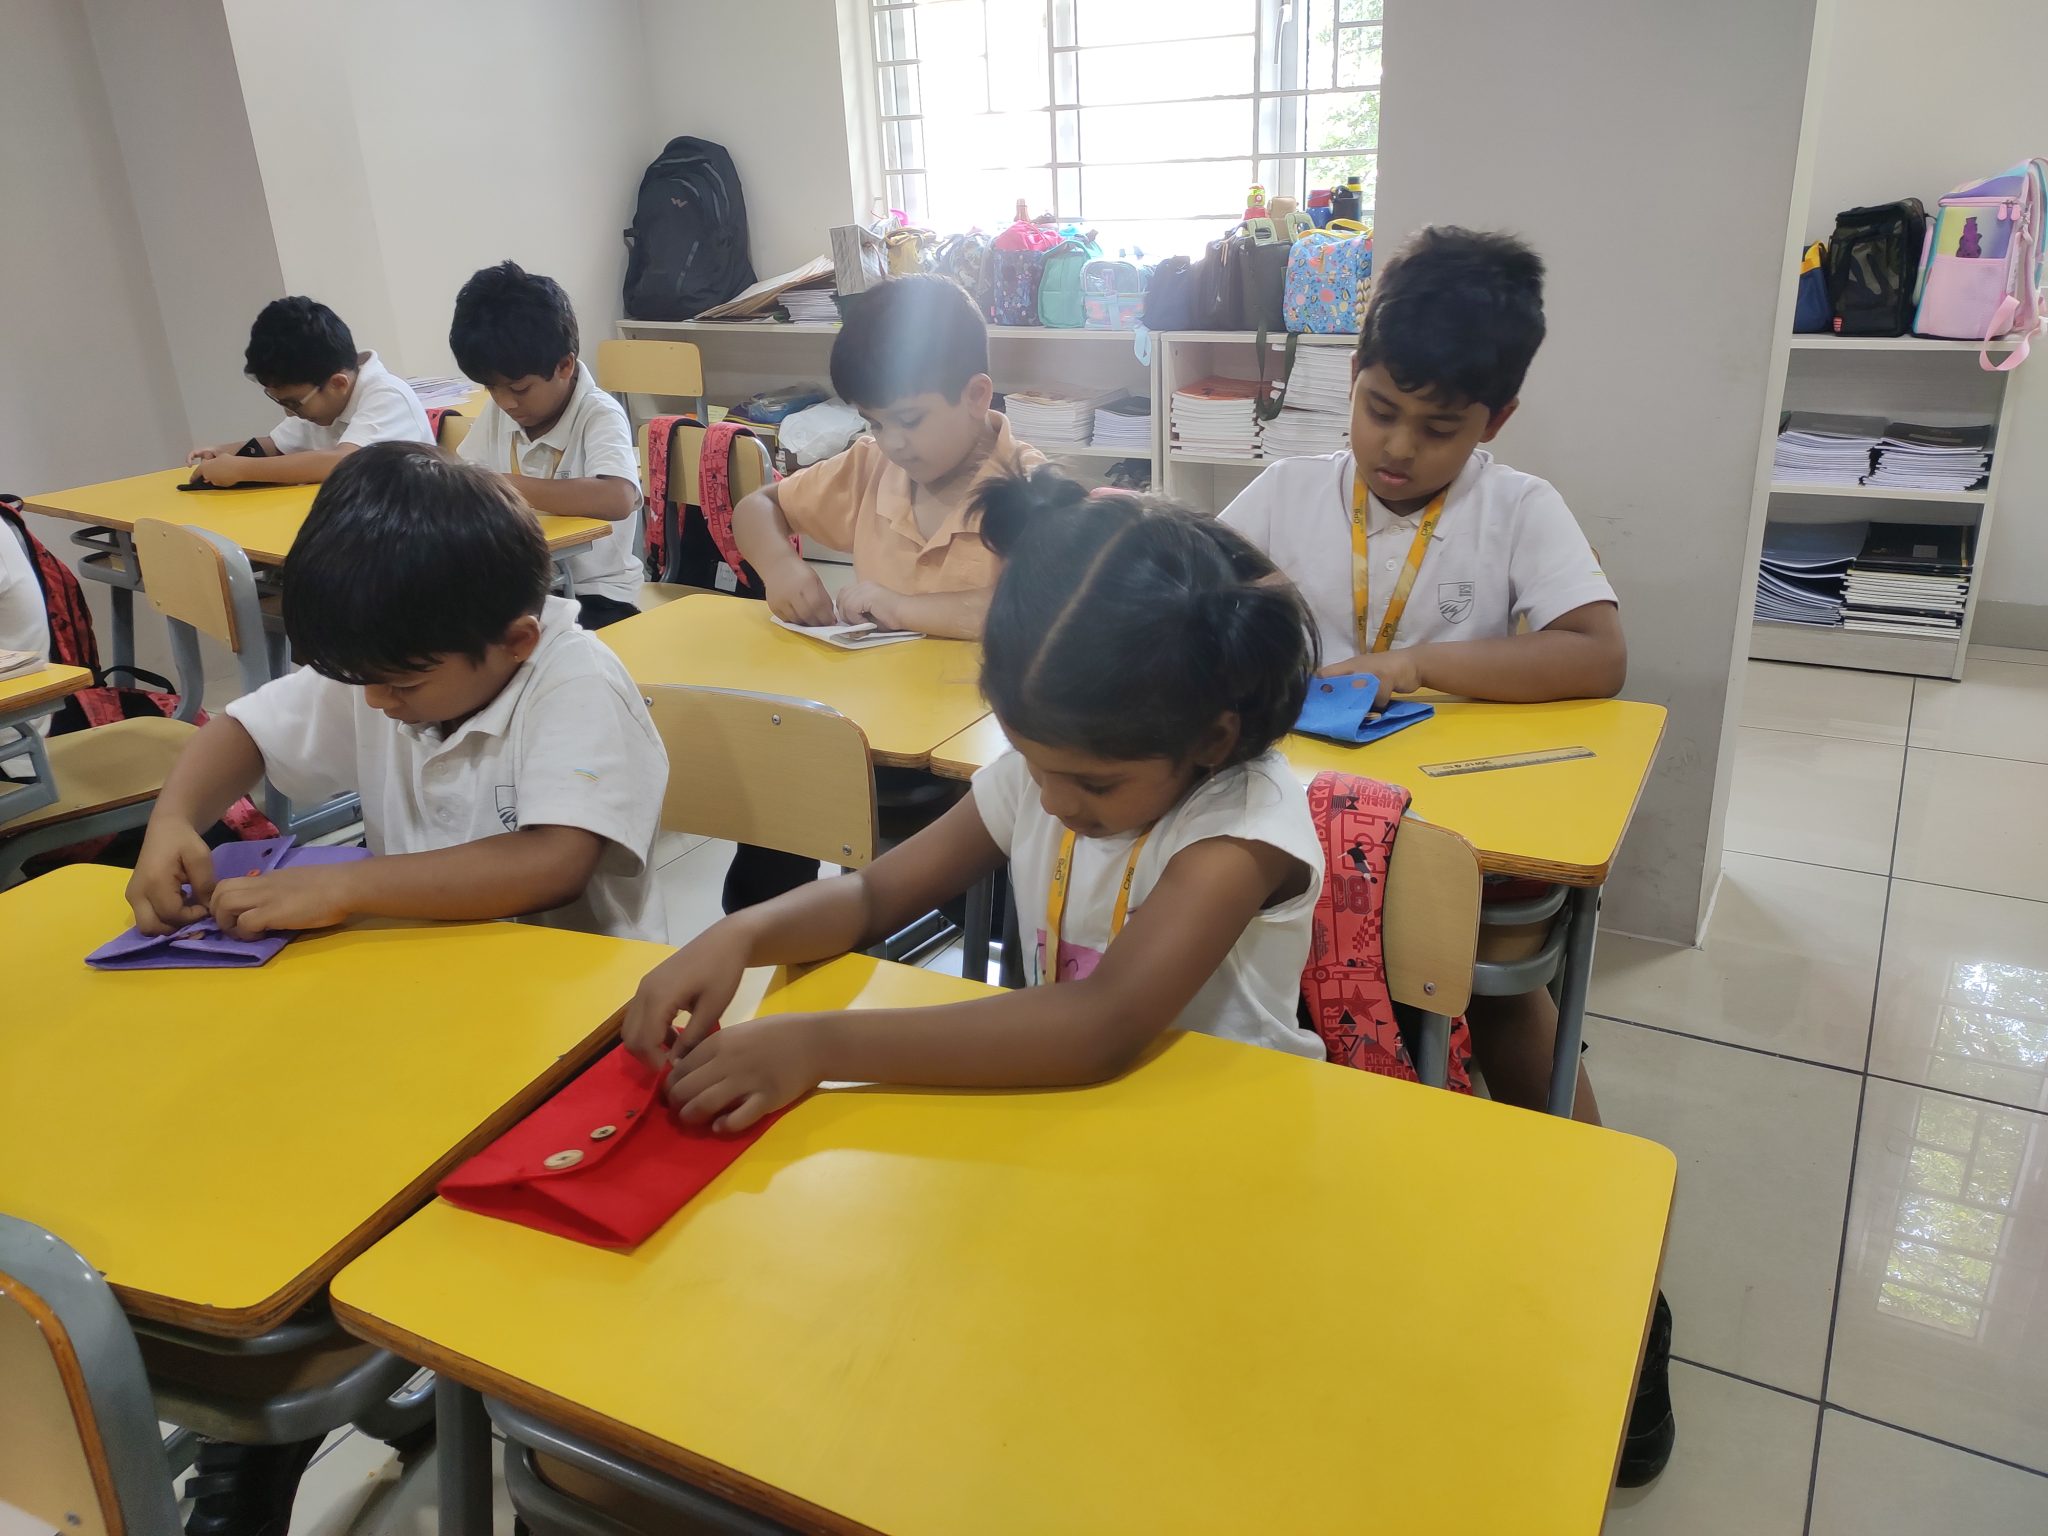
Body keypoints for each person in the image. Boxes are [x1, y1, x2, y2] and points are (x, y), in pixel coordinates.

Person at [1218, 226, 1670, 1486]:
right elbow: (1208, 594)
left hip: (1467, 847)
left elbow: (1595, 657)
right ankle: (1340, 1229)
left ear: (1496, 420)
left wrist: (1416, 664)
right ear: (1348, 378)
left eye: (1437, 427)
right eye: (1377, 411)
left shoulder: (1517, 511)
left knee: (1516, 1019)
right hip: (1292, 837)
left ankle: (1623, 1287)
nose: (1398, 449)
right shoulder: (1289, 491)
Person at [625, 467, 1323, 1124]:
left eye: (1094, 783)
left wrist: (820, 1045)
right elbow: (873, 898)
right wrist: (738, 935)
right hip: (1080, 1117)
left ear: (1209, 739)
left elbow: (1102, 1023)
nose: (1053, 802)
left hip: (1226, 1130)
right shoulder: (1048, 773)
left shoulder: (1239, 829)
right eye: (1030, 760)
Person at [125, 441, 667, 945]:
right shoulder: (393, 660)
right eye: (363, 681)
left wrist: (346, 884)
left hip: (582, 1003)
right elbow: (245, 731)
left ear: (516, 642)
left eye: (403, 684)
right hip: (424, 969)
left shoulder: (576, 683)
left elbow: (554, 862)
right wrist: (172, 822)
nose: (376, 701)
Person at [731, 272, 1043, 642]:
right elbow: (757, 508)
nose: (892, 442)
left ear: (976, 396)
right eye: (875, 423)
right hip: (878, 693)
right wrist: (780, 566)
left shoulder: (1033, 487)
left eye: (909, 420)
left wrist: (900, 609)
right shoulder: (871, 466)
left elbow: (1038, 608)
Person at [450, 261, 645, 629]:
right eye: (491, 388)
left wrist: (504, 485)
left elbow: (618, 497)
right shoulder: (501, 411)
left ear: (565, 365)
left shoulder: (598, 413)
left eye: (519, 389)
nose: (506, 402)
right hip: (526, 589)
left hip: (598, 595)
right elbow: (466, 476)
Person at [187, 297, 431, 485]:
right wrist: (223, 453)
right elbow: (275, 446)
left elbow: (343, 463)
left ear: (338, 383)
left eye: (294, 404)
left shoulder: (388, 395)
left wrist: (240, 469)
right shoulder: (320, 405)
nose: (290, 414)